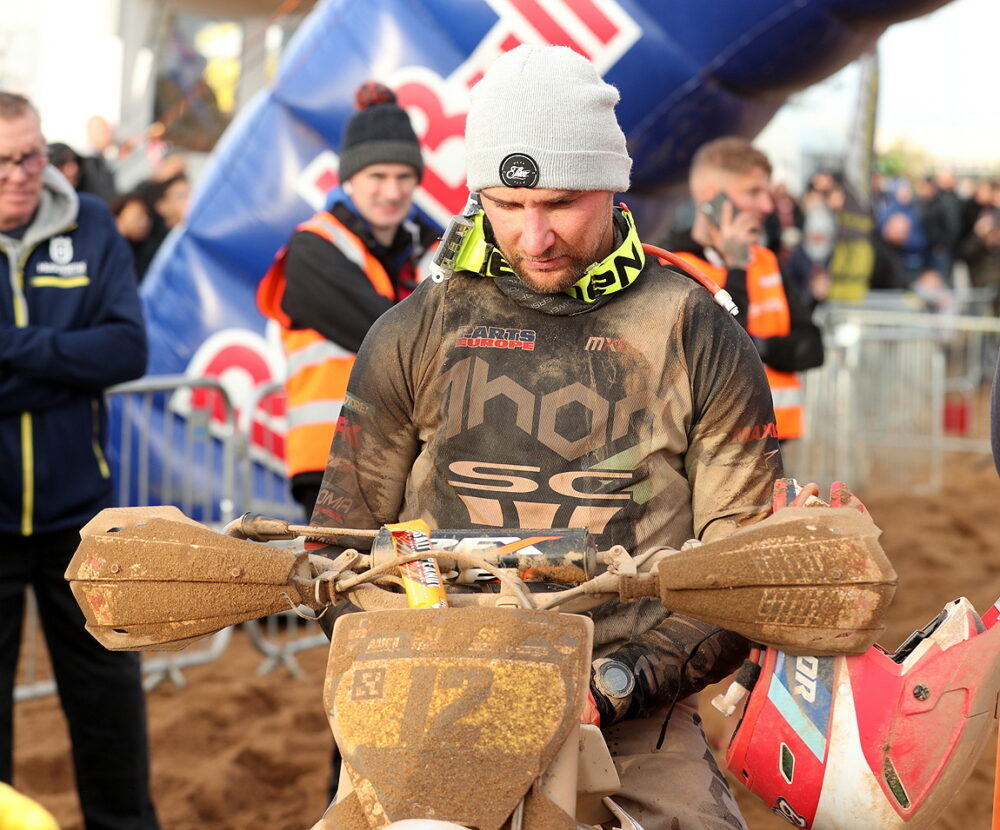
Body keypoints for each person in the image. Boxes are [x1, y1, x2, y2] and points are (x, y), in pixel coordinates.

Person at [311, 46, 783, 830]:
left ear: (614, 182)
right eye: (506, 205)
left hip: (631, 722)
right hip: (433, 713)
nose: (533, 239)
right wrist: (433, 667)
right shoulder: (415, 330)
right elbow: (337, 544)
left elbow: (737, 579)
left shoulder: (695, 329)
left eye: (560, 204)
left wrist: (607, 687)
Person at [0, 92, 159, 829]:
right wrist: (68, 366)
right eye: (2, 162)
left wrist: (15, 348)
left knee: (109, 704)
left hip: (79, 514)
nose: (20, 174)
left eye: (30, 155)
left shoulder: (91, 222)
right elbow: (93, 355)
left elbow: (127, 349)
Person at [258, 82, 438, 519]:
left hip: (412, 458)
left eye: (404, 177)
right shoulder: (314, 248)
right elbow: (388, 336)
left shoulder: (427, 248)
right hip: (333, 462)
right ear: (349, 179)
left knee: (413, 585)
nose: (392, 192)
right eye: (377, 177)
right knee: (344, 584)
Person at [666, 137, 824, 443]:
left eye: (767, 192)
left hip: (773, 439)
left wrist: (761, 348)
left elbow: (812, 347)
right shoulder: (673, 264)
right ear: (712, 199)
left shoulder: (766, 260)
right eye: (753, 192)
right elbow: (720, 346)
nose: (767, 205)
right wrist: (736, 267)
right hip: (711, 444)